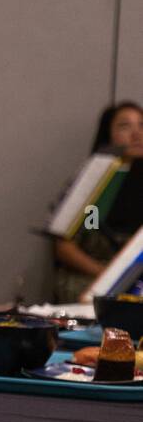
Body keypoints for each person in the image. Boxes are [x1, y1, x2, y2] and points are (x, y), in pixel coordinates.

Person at [53, 100, 143, 301]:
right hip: (92, 272)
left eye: (142, 125)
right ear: (108, 134)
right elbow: (64, 247)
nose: (136, 134)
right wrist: (106, 273)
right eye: (125, 126)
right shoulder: (92, 182)